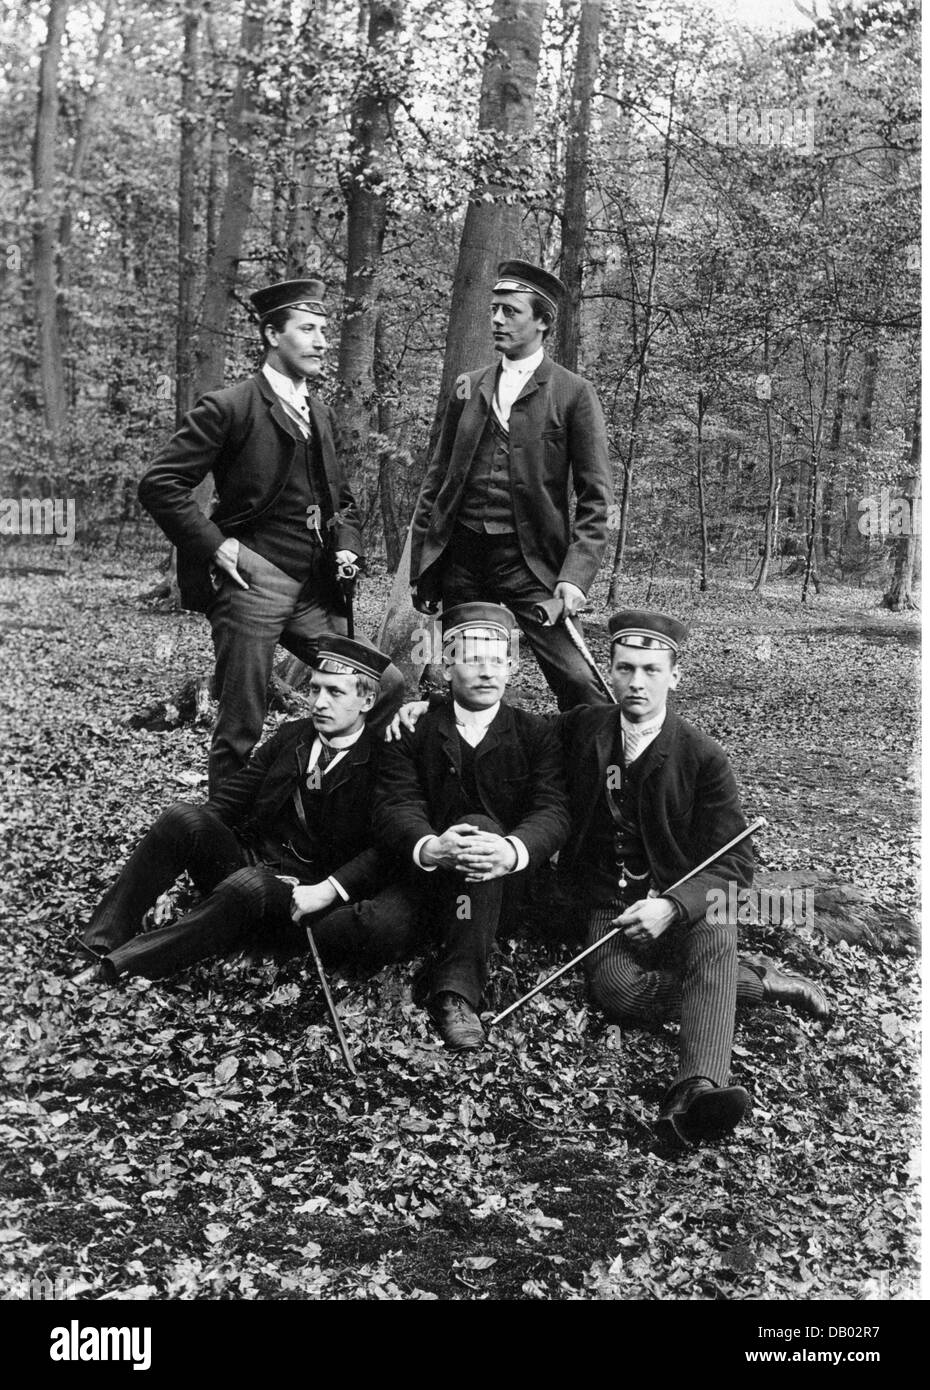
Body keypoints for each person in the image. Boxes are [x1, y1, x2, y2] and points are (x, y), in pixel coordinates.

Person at [556, 609, 830, 1145]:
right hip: (605, 900)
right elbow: (508, 730)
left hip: (687, 900)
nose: (637, 682)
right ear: (609, 672)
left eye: (651, 670)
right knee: (617, 994)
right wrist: (428, 708)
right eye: (626, 668)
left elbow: (736, 864)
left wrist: (673, 906)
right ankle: (756, 981)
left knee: (716, 929)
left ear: (675, 676)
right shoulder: (581, 728)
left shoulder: (703, 756)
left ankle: (697, 1089)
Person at [138, 278, 404, 794]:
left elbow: (341, 501)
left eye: (324, 330)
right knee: (240, 729)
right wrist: (214, 543)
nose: (322, 342)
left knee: (386, 685)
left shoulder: (319, 414)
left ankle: (320, 796)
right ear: (271, 334)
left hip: (313, 593)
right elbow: (159, 484)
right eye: (307, 329)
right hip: (250, 586)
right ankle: (221, 848)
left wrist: (347, 542)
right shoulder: (229, 406)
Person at [72, 637, 419, 986]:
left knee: (251, 885)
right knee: (182, 817)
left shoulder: (383, 760)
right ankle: (97, 943)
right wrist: (166, 875)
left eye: (335, 692)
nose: (318, 703)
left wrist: (326, 889)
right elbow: (228, 802)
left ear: (368, 700)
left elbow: (383, 849)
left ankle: (116, 968)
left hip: (305, 897)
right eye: (314, 689)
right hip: (248, 864)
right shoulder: (292, 737)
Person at [408, 259, 613, 710]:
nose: (497, 319)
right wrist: (424, 563)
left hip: (531, 564)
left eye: (511, 311)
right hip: (461, 560)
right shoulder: (468, 387)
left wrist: (575, 578)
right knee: (464, 685)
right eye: (494, 309)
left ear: (542, 322)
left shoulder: (573, 393)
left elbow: (597, 499)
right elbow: (437, 478)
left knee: (580, 685)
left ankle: (597, 776)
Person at [372, 603, 570, 1049]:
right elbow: (394, 803)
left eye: (497, 659)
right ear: (445, 667)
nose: (487, 672)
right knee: (376, 929)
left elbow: (553, 809)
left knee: (482, 827)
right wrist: (429, 846)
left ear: (512, 666)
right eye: (472, 659)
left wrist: (513, 851)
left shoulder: (535, 733)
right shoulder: (413, 729)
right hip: (426, 879)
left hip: (504, 888)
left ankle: (456, 991)